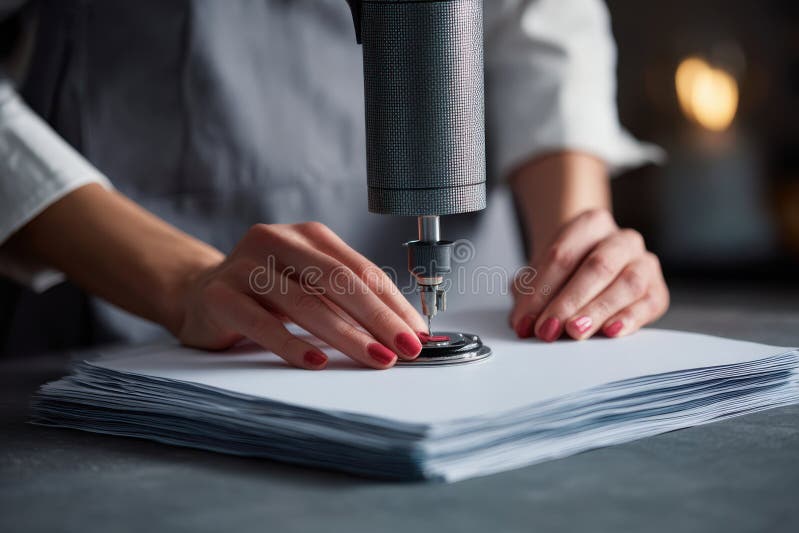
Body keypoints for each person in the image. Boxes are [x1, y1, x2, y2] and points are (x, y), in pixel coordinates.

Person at [0, 0, 669, 369]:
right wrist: (182, 283)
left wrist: (575, 247)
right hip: (138, 299)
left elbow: (540, 21)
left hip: (490, 300)